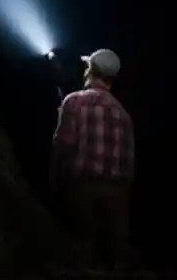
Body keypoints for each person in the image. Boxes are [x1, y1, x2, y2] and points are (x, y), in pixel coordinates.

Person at [50, 48, 136, 271]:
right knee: (115, 257)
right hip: (117, 193)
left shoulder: (74, 101)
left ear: (90, 71)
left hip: (82, 188)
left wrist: (55, 181)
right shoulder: (123, 113)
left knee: (83, 252)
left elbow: (62, 146)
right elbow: (127, 163)